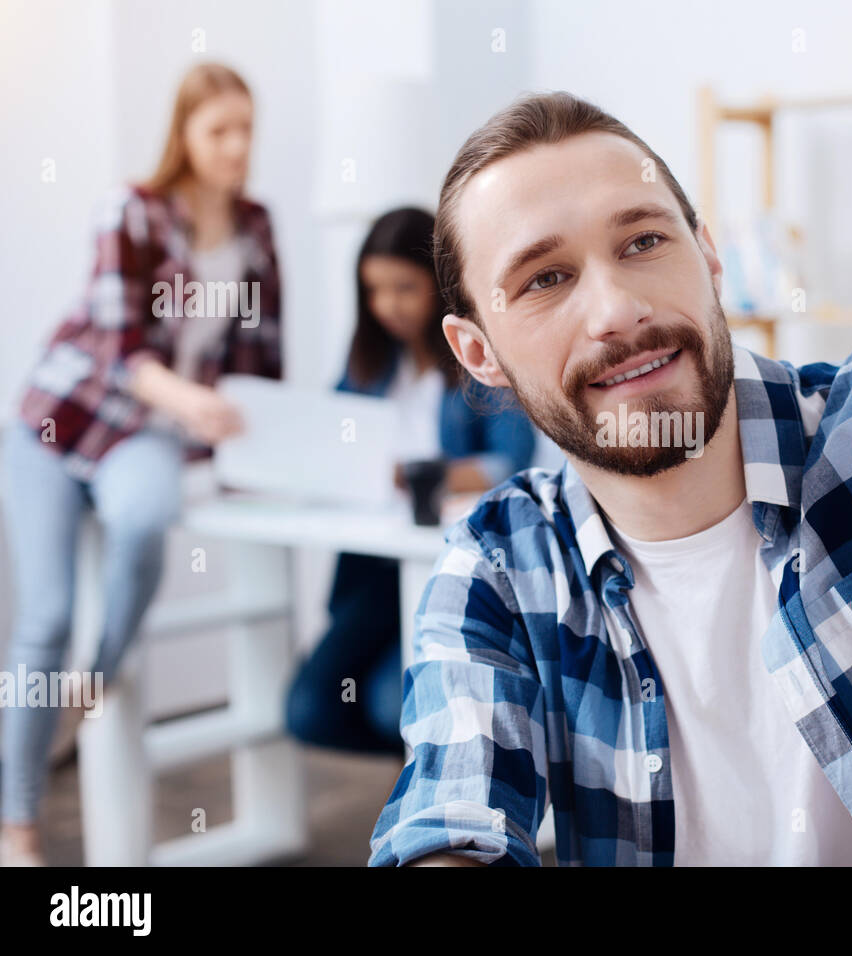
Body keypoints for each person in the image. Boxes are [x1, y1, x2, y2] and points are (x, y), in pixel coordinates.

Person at [367, 91, 852, 868]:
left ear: (709, 258)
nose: (617, 309)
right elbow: (449, 817)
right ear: (478, 351)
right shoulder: (501, 565)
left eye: (644, 240)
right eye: (546, 279)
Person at [0, 62, 282, 867]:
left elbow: (262, 356)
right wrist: (192, 403)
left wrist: (260, 448)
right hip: (62, 420)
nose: (236, 146)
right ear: (184, 135)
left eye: (246, 129)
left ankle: (100, 673)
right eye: (219, 130)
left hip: (145, 437)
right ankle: (18, 825)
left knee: (148, 516)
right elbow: (120, 348)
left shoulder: (256, 228)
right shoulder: (132, 210)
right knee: (46, 617)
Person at [284, 207, 535, 758]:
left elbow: (508, 463)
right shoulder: (370, 363)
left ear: (441, 284)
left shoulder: (478, 356)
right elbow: (327, 436)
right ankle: (437, 764)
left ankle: (450, 773)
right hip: (372, 569)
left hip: (448, 564)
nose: (388, 305)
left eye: (404, 287)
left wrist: (411, 474)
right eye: (374, 290)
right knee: (309, 711)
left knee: (385, 704)